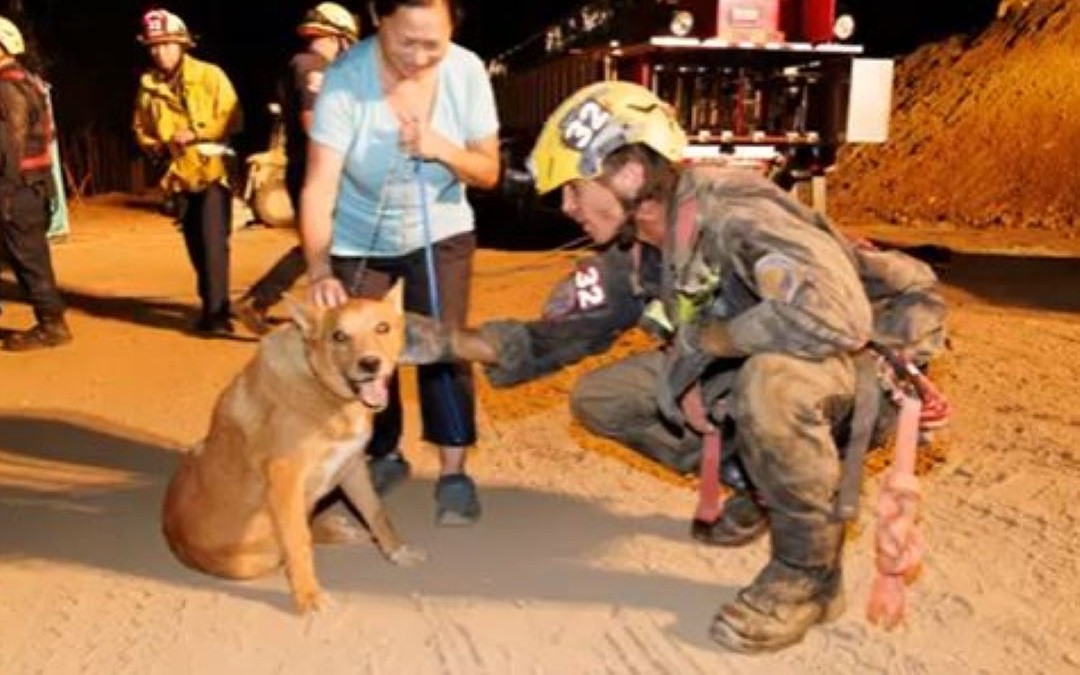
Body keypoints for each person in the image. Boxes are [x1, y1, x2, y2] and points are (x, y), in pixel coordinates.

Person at [431, 81, 947, 650]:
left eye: (574, 190)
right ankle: (762, 483)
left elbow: (836, 318)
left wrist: (714, 338)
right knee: (605, 397)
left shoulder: (735, 210)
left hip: (855, 366)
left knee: (771, 385)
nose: (567, 207)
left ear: (627, 175)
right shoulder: (639, 249)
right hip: (768, 364)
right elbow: (561, 333)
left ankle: (809, 578)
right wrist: (444, 342)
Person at [301, 0, 500, 525]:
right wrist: (320, 269)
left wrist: (442, 149)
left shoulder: (467, 71)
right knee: (364, 350)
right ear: (378, 20)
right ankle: (381, 454)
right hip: (359, 235)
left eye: (432, 43)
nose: (418, 55)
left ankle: (454, 471)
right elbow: (320, 182)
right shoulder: (345, 80)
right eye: (405, 41)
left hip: (441, 230)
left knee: (441, 347)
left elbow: (488, 171)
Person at [231, 2, 360, 334]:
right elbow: (312, 121)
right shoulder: (312, 67)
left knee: (323, 244)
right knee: (329, 244)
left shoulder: (307, 66)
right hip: (316, 170)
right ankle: (264, 302)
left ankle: (261, 301)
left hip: (313, 168)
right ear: (339, 37)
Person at [0, 15, 71, 351]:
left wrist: (2, 192)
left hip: (19, 186)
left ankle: (52, 324)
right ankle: (50, 319)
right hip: (32, 183)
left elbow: (11, 142)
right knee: (28, 254)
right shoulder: (26, 80)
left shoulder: (7, 87)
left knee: (27, 257)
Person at [132, 9, 243, 335]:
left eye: (166, 44)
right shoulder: (147, 86)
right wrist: (156, 145)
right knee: (195, 244)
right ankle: (210, 305)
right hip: (177, 176)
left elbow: (234, 117)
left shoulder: (211, 76)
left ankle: (218, 314)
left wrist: (196, 133)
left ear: (183, 44)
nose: (159, 52)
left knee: (213, 244)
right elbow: (140, 127)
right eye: (153, 46)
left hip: (212, 171)